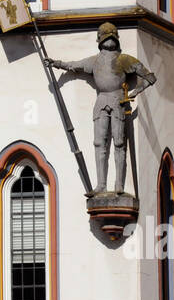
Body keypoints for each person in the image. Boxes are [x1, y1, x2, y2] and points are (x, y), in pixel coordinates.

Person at [47, 23, 156, 197]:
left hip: (118, 100)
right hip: (101, 101)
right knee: (99, 143)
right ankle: (101, 185)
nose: (110, 39)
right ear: (100, 40)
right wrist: (57, 63)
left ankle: (119, 184)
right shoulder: (94, 61)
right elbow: (74, 65)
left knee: (119, 143)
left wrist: (135, 92)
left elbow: (150, 77)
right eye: (107, 36)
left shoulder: (124, 59)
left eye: (112, 36)